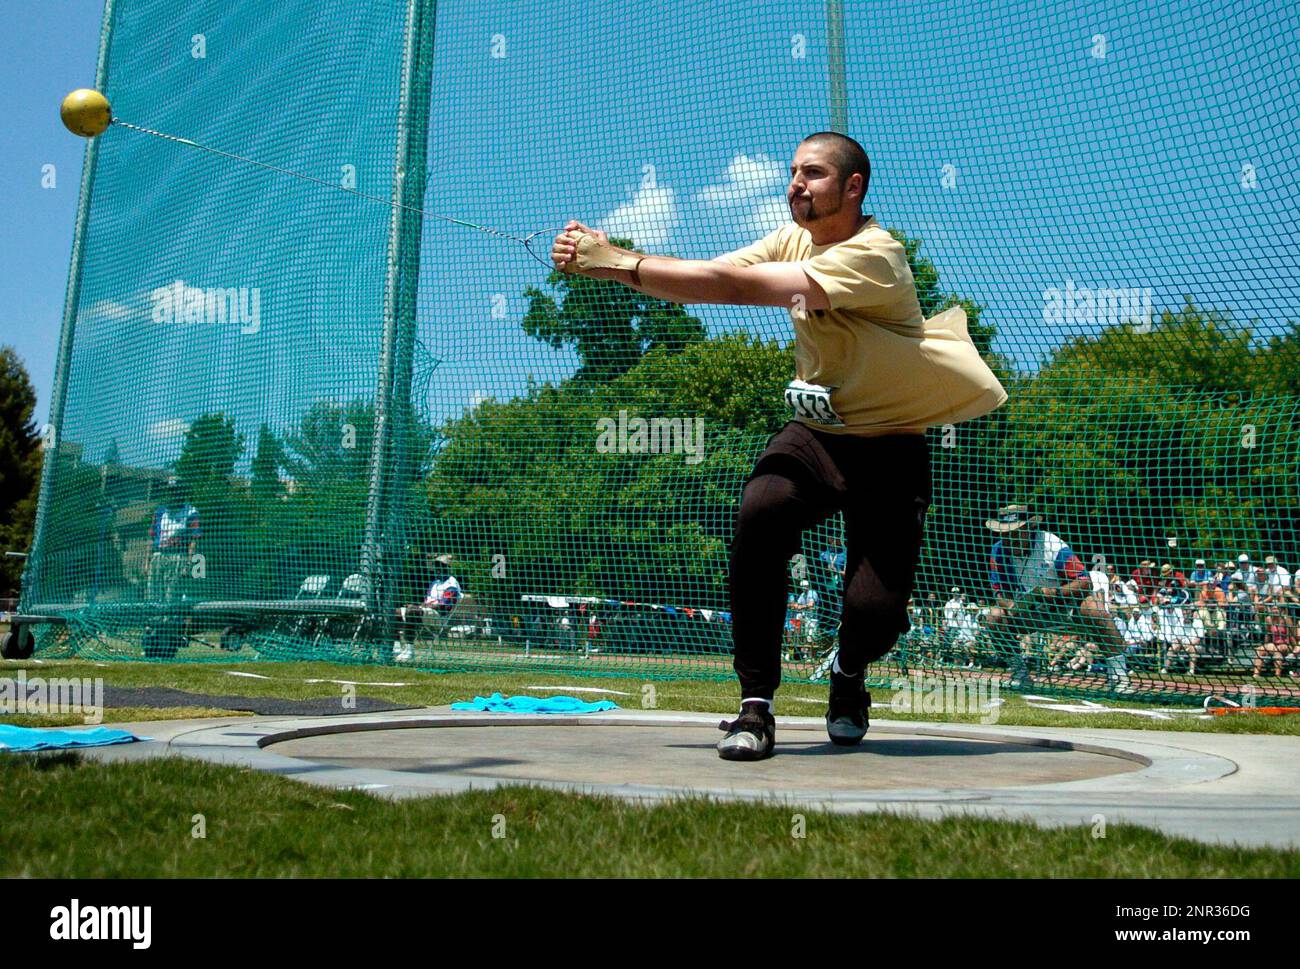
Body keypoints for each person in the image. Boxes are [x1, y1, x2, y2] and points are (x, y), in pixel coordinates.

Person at [554, 132, 1007, 760]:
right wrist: (606, 259)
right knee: (760, 512)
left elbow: (735, 289)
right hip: (816, 436)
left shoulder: (876, 255)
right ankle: (755, 707)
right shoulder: (791, 238)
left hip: (890, 446)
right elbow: (708, 277)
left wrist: (612, 260)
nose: (796, 184)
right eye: (793, 172)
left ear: (853, 187)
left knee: (874, 613)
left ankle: (849, 675)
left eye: (814, 173)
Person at [981, 504, 1134, 693]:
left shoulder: (1053, 545)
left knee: (1095, 609)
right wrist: (1012, 606)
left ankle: (1119, 678)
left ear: (1029, 529)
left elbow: (1085, 582)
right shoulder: (998, 551)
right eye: (1004, 532)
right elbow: (998, 592)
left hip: (1066, 606)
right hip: (1030, 612)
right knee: (993, 616)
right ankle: (1019, 674)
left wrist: (1053, 593)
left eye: (1015, 532)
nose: (1008, 537)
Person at [393, 554, 462, 662]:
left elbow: (445, 606)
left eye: (441, 566)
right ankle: (397, 648)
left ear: (448, 568)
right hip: (427, 612)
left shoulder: (451, 583)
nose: (438, 569)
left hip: (439, 617)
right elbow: (428, 602)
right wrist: (419, 606)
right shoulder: (435, 583)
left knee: (412, 611)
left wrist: (423, 607)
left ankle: (410, 652)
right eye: (437, 566)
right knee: (396, 612)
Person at [147, 476, 200, 603]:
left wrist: (189, 563)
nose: (171, 494)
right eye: (169, 491)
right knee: (152, 595)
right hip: (158, 556)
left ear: (181, 492)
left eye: (174, 490)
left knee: (171, 597)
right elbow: (151, 538)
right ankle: (153, 621)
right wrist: (147, 562)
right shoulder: (160, 512)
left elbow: (194, 540)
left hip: (178, 557)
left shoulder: (191, 512)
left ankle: (170, 621)